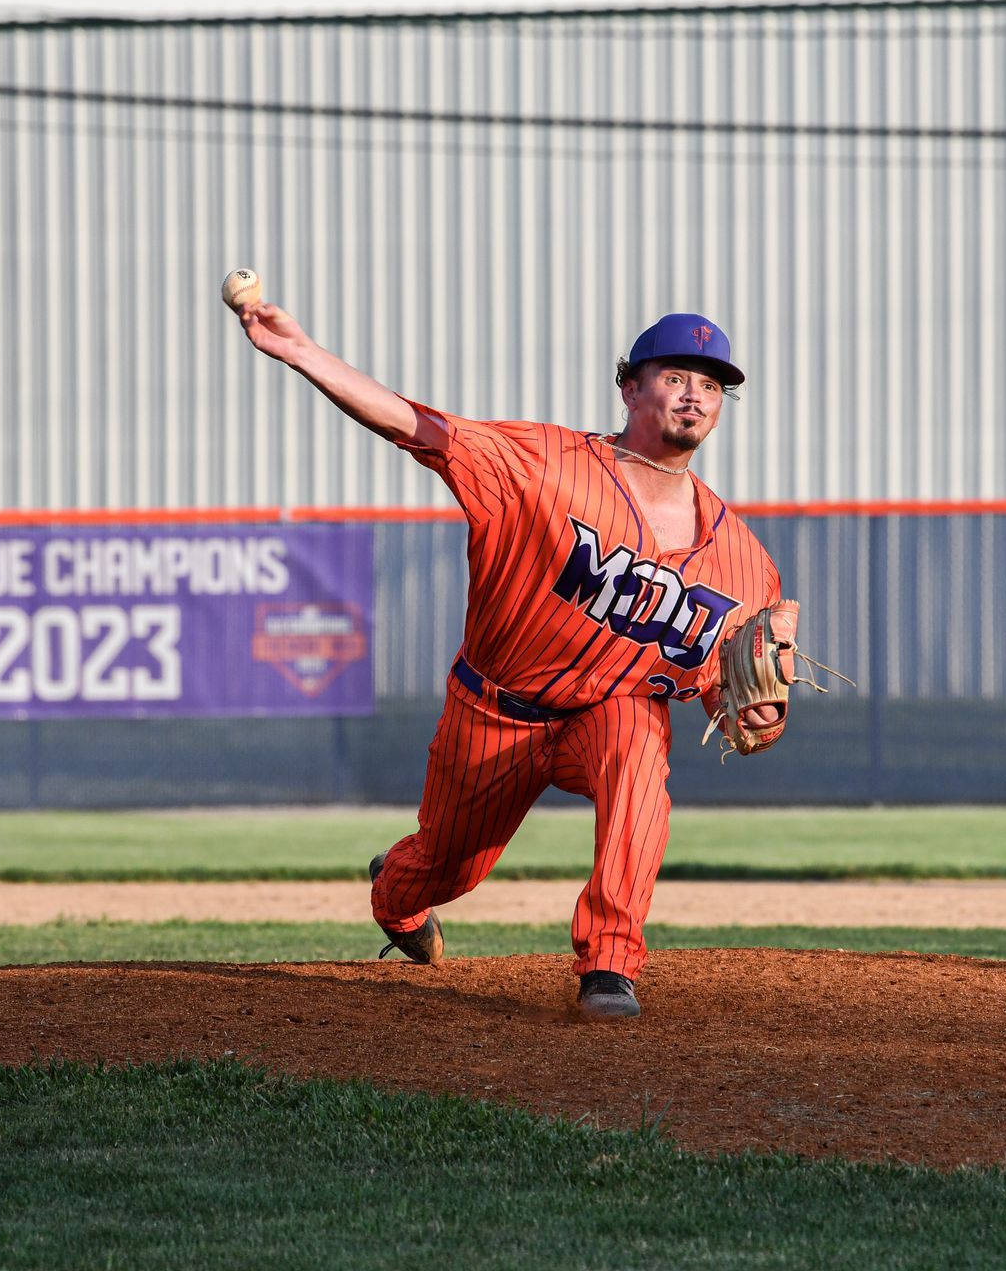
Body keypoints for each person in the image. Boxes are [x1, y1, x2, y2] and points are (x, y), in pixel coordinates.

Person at [237, 305, 785, 1019]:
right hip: (496, 711)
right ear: (629, 389)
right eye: (675, 376)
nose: (693, 395)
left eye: (711, 386)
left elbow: (722, 690)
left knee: (639, 754)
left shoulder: (744, 563)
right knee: (445, 867)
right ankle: (397, 900)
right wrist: (306, 354)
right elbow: (415, 427)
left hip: (607, 707)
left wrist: (756, 714)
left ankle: (610, 965)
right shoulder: (541, 463)